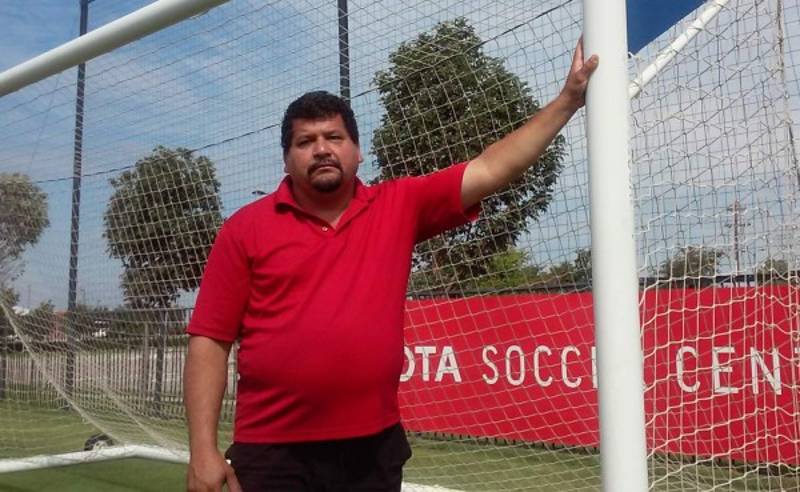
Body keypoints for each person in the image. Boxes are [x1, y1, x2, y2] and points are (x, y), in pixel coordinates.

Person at [184, 41, 598, 492]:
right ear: (287, 159)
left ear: (358, 151)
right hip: (272, 453)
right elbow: (210, 340)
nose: (321, 149)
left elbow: (490, 168)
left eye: (334, 138)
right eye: (306, 142)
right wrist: (202, 448)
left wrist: (567, 101)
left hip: (372, 449)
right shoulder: (245, 228)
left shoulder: (397, 205)